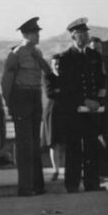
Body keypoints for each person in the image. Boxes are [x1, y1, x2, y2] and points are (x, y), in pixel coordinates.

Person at [1, 17, 50, 196]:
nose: (38, 36)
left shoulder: (37, 52)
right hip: (21, 97)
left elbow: (46, 73)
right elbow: (7, 80)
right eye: (35, 33)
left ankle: (38, 185)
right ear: (26, 35)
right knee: (25, 144)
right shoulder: (17, 53)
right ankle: (25, 187)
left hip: (35, 95)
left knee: (35, 143)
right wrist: (8, 102)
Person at [58, 18, 107, 193]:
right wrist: (83, 100)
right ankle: (72, 184)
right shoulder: (65, 58)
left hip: (93, 109)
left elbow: (101, 81)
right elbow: (66, 87)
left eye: (86, 33)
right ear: (73, 35)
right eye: (81, 33)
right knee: (74, 148)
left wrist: (99, 101)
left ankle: (92, 184)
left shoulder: (94, 56)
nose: (85, 36)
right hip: (74, 110)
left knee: (92, 146)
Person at [88, 36, 108, 179]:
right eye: (94, 49)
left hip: (106, 103)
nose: (97, 51)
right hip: (93, 104)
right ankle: (95, 170)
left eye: (99, 48)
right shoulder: (87, 62)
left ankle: (106, 169)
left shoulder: (107, 62)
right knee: (94, 135)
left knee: (105, 135)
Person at [40, 53, 66, 182]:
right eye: (55, 64)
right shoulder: (48, 77)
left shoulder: (67, 77)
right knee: (54, 143)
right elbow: (50, 93)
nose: (57, 66)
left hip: (66, 112)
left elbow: (69, 91)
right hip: (53, 113)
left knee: (66, 143)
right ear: (51, 65)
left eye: (59, 64)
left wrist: (60, 91)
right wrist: (62, 91)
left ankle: (67, 170)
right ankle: (56, 170)